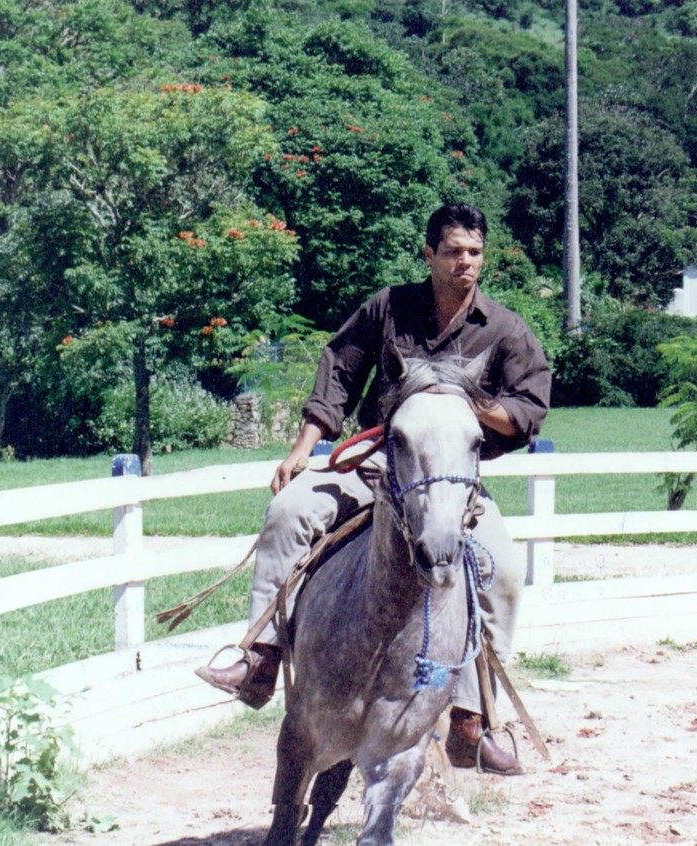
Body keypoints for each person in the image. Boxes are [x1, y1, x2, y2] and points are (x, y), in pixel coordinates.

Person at [197, 203, 551, 776]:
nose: (465, 262)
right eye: (453, 251)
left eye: (475, 252)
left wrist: (469, 402)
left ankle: (471, 719)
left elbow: (529, 408)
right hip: (377, 461)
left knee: (504, 573)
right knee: (289, 511)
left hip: (450, 483)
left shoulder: (505, 329)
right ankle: (260, 658)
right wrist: (302, 448)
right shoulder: (389, 308)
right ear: (429, 254)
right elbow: (339, 371)